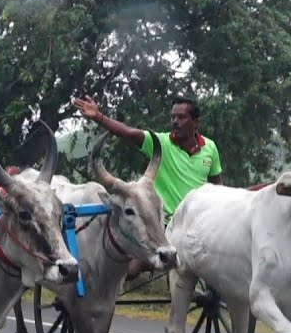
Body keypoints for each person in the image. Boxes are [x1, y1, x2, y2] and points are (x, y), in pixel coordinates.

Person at [72, 94, 223, 276]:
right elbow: (129, 133)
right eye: (173, 117)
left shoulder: (210, 148)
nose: (175, 121)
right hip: (161, 224)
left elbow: (217, 188)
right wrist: (99, 117)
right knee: (131, 271)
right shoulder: (160, 142)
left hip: (198, 225)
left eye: (181, 117)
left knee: (220, 266)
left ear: (195, 122)